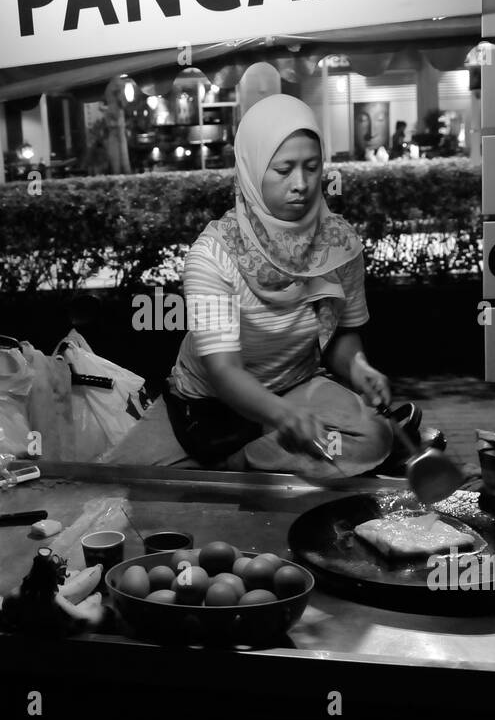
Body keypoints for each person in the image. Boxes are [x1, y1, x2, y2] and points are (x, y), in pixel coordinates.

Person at [158, 94, 394, 471]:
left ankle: (251, 465)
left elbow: (338, 339)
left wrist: (359, 367)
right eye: (284, 170)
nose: (301, 184)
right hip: (211, 404)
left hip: (295, 387)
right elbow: (224, 371)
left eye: (312, 167)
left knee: (378, 435)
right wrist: (284, 416)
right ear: (252, 170)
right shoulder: (212, 256)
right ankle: (249, 462)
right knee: (129, 487)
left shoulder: (339, 244)